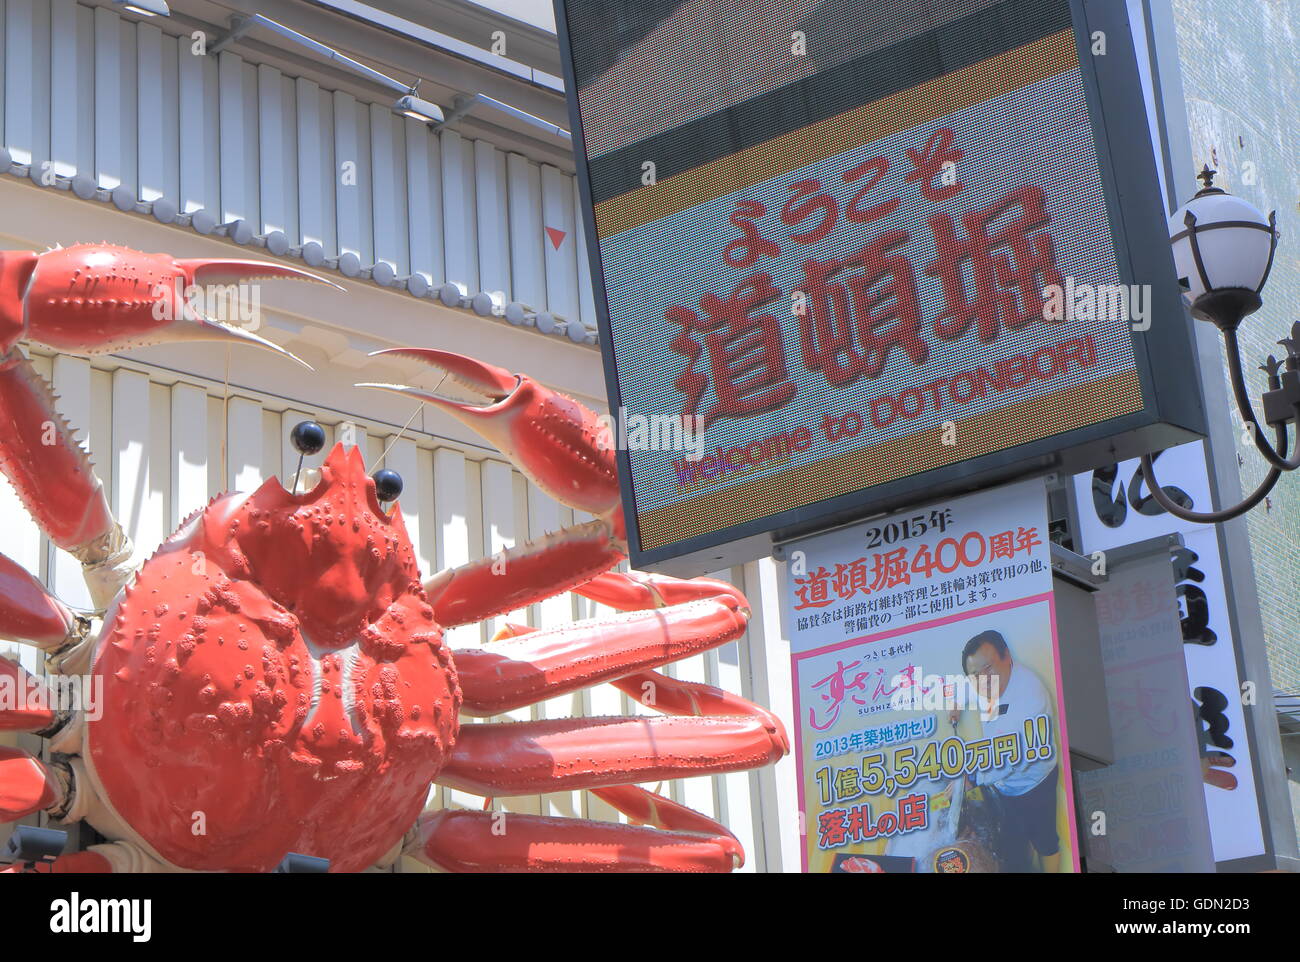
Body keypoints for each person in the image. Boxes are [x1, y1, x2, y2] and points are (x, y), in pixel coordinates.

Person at [946, 629, 1061, 872]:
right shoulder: (989, 680)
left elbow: (1008, 760)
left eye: (988, 669)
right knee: (1011, 842)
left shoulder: (1029, 700)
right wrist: (956, 704)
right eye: (975, 675)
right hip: (1001, 785)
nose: (983, 679)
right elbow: (971, 683)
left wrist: (970, 779)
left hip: (1034, 782)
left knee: (1045, 840)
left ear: (1007, 656)